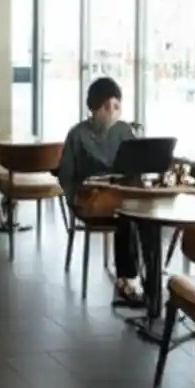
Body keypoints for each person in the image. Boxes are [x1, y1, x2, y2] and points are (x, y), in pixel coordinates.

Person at [56, 77, 146, 305]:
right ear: (94, 108)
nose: (112, 112)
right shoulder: (77, 135)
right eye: (107, 106)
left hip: (119, 198)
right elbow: (66, 175)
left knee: (138, 219)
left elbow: (136, 170)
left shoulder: (124, 131)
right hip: (89, 201)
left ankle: (142, 280)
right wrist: (75, 198)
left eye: (116, 106)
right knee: (127, 217)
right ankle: (129, 278)